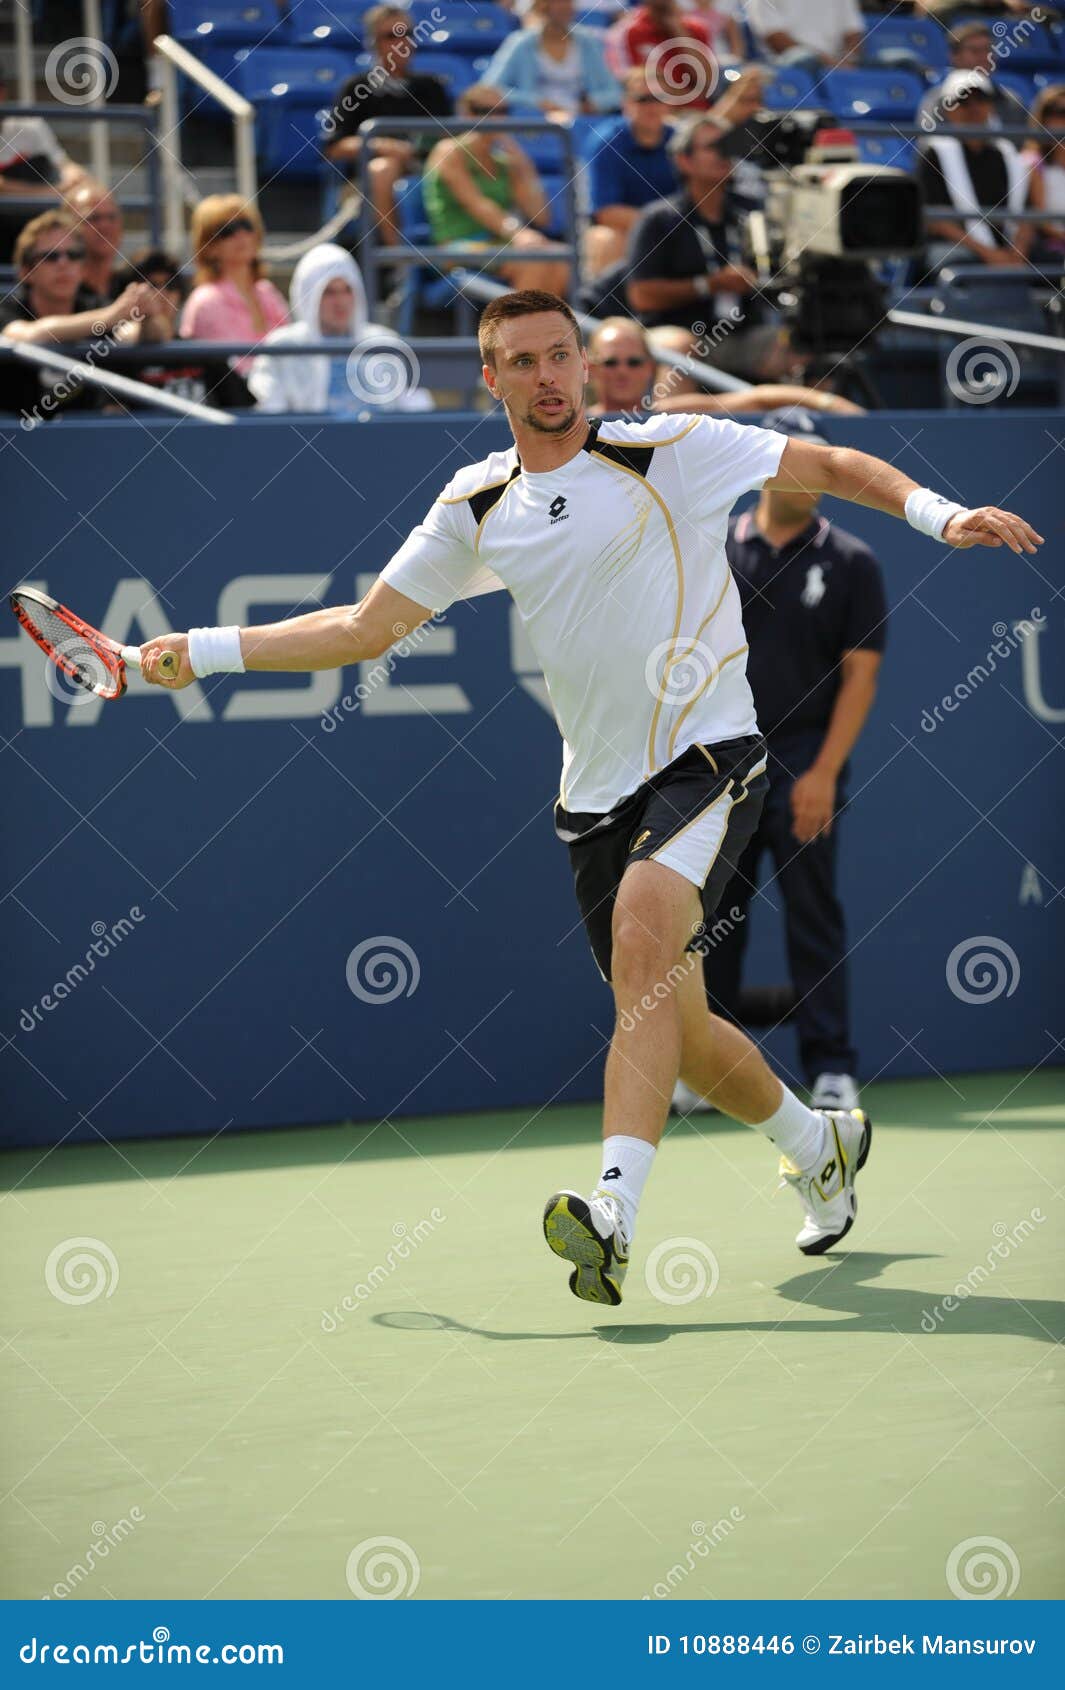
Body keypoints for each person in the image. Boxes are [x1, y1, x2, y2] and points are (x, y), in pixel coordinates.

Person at [137, 288, 1042, 1307]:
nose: (548, 376)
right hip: (593, 794)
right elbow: (361, 627)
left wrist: (940, 512)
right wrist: (194, 652)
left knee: (648, 942)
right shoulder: (478, 505)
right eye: (521, 362)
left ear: (584, 362)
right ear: (491, 378)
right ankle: (818, 1144)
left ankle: (612, 1212)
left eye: (560, 354)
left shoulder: (670, 450)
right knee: (679, 1027)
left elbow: (825, 464)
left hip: (711, 752)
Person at [673, 408, 887, 1121]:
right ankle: (711, 1070)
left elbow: (859, 677)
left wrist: (824, 772)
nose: (819, 476)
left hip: (803, 761)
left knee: (811, 915)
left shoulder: (851, 561)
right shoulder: (715, 550)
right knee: (710, 920)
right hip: (720, 764)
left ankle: (829, 1070)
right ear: (767, 469)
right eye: (804, 459)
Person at [625, 114, 789, 381]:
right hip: (681, 333)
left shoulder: (754, 214)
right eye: (713, 147)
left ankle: (810, 421)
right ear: (684, 160)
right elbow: (641, 295)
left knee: (801, 348)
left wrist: (758, 280)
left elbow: (781, 273)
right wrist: (710, 284)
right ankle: (679, 422)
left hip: (746, 333)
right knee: (676, 347)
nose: (724, 153)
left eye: (728, 146)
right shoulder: (659, 219)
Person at [321, 4, 451, 254]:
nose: (401, 43)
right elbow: (335, 146)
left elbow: (451, 138)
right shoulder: (356, 87)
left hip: (428, 169)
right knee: (383, 169)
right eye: (392, 36)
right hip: (367, 178)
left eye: (408, 34)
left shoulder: (432, 87)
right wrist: (383, 146)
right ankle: (399, 259)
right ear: (374, 42)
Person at [248, 243, 433, 415]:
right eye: (329, 292)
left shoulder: (385, 343)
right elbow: (271, 411)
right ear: (308, 295)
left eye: (347, 290)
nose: (341, 302)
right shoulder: (282, 347)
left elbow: (417, 407)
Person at [0, 209, 150, 418]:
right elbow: (27, 335)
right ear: (26, 271)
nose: (64, 264)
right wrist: (108, 317)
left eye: (74, 255)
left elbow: (135, 335)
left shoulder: (95, 306)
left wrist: (150, 314)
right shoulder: (9, 308)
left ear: (82, 267)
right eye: (50, 257)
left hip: (85, 440)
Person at [423, 86, 571, 297]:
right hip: (458, 244)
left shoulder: (503, 162)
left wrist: (523, 163)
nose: (495, 118)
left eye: (502, 111)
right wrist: (519, 234)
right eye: (485, 110)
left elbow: (541, 216)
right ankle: (518, 327)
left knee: (559, 258)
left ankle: (539, 326)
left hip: (499, 242)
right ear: (467, 114)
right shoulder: (449, 151)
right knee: (533, 261)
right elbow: (477, 204)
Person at [586, 316, 862, 417]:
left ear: (650, 368)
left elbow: (758, 400)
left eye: (633, 362)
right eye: (610, 362)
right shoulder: (576, 423)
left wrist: (828, 402)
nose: (622, 370)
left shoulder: (671, 414)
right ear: (592, 368)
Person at [108, 250, 252, 412]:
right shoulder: (117, 355)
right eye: (151, 285)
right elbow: (110, 417)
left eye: (170, 285)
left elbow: (243, 409)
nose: (162, 293)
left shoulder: (201, 354)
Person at [919, 70, 1032, 272]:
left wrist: (1019, 251)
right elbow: (937, 221)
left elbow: (1027, 213)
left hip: (1008, 249)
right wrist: (989, 254)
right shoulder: (934, 153)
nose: (973, 108)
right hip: (959, 247)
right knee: (955, 263)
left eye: (981, 100)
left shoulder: (1007, 153)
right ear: (948, 109)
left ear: (991, 107)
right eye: (963, 101)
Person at [585, 66, 678, 275]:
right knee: (607, 239)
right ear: (626, 103)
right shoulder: (606, 142)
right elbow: (606, 214)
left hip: (672, 229)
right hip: (632, 231)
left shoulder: (681, 141)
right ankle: (607, 308)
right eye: (643, 99)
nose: (652, 106)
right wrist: (660, 226)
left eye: (659, 98)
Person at [180, 196, 289, 374]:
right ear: (209, 246)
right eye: (227, 230)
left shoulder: (267, 291)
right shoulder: (206, 301)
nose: (241, 235)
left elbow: (292, 350)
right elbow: (233, 371)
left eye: (246, 225)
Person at [0, 63, 91, 262]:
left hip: (36, 222)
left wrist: (76, 180)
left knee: (89, 204)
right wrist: (55, 193)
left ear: (3, 93)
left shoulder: (30, 125)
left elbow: (65, 165)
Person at [484, 0, 621, 121]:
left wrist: (592, 104)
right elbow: (489, 90)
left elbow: (614, 93)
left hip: (582, 122)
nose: (565, 6)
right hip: (535, 125)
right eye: (557, 2)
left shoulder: (588, 42)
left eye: (568, 1)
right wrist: (537, 102)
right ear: (541, 6)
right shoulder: (520, 43)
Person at [607, 0, 734, 109]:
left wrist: (679, 32)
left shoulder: (697, 29)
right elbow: (635, 84)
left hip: (696, 113)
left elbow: (707, 82)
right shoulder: (628, 31)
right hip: (652, 112)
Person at [747, 0, 863, 70]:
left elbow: (853, 32)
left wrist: (848, 61)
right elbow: (775, 38)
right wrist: (830, 63)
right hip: (787, 63)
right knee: (804, 59)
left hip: (836, 64)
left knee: (880, 61)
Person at [1022, 84, 1065, 266]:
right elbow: (1041, 221)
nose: (1063, 119)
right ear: (1043, 118)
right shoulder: (1033, 162)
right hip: (1052, 246)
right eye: (1057, 112)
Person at [65, 181, 125, 301]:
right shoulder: (58, 290)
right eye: (93, 218)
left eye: (112, 217)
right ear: (67, 226)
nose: (105, 226)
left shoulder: (131, 285)